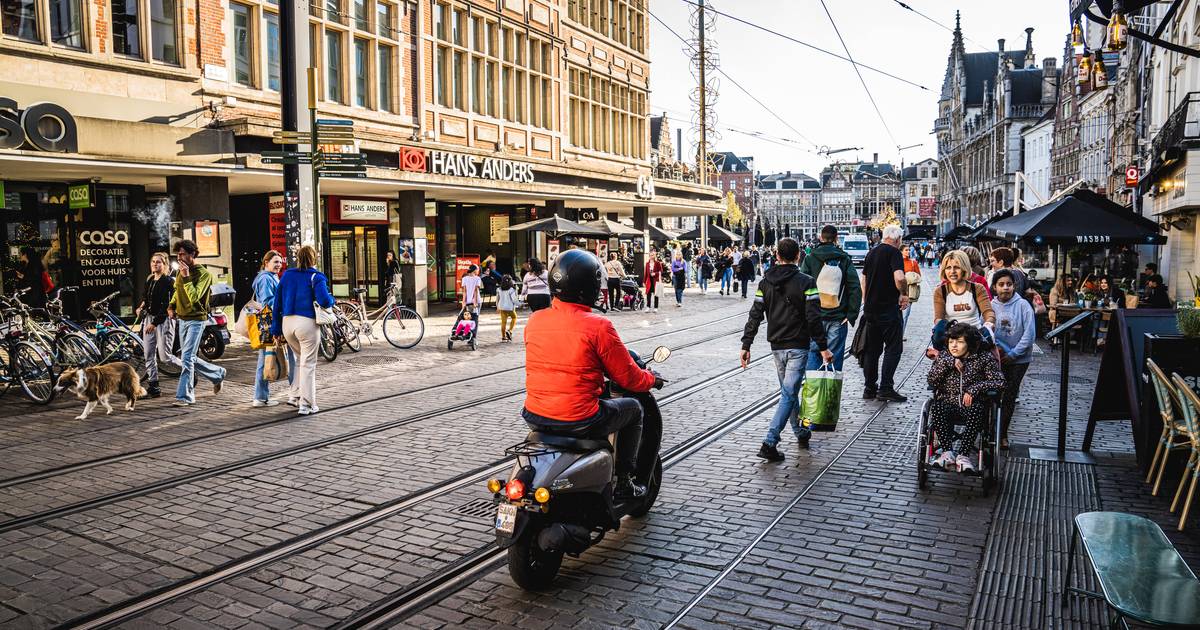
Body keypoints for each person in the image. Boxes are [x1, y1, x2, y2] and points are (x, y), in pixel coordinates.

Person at [522, 249, 663, 497]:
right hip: (578, 417)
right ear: (590, 286)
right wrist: (651, 378)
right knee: (634, 409)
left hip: (535, 414)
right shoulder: (598, 326)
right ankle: (623, 480)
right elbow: (628, 378)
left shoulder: (535, 321)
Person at [741, 238, 832, 462]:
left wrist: (746, 344)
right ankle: (769, 442)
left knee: (788, 393)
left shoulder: (765, 283)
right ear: (798, 256)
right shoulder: (807, 282)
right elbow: (813, 318)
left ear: (778, 256)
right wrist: (823, 347)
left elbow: (755, 315)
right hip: (798, 345)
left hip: (777, 346)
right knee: (789, 393)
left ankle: (800, 432)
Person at [925, 322, 1006, 473]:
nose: (954, 346)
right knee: (936, 406)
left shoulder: (983, 358)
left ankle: (963, 455)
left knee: (977, 409)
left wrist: (974, 389)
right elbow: (931, 380)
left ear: (969, 343)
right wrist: (948, 363)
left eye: (960, 342)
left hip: (972, 406)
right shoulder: (944, 357)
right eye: (951, 342)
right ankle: (947, 452)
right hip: (948, 403)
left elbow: (999, 381)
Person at [270, 245, 335, 415]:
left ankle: (294, 395)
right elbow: (324, 301)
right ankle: (307, 405)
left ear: (297, 258)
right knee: (308, 364)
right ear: (314, 259)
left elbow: (277, 303)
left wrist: (276, 328)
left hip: (287, 323)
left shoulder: (287, 275)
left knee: (300, 360)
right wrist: (332, 299)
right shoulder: (317, 276)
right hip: (306, 323)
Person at [170, 239, 226, 406]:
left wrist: (187, 277)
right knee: (188, 357)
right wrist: (171, 305)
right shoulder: (180, 272)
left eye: (182, 254)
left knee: (186, 358)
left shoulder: (203, 274)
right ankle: (217, 374)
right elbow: (177, 291)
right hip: (182, 318)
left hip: (196, 319)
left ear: (192, 254)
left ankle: (185, 396)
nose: (179, 257)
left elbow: (194, 297)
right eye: (177, 254)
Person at [798, 225, 862, 371]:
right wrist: (851, 314)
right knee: (835, 356)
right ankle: (831, 392)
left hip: (814, 317)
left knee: (813, 353)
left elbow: (801, 287)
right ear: (836, 238)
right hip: (838, 317)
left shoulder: (810, 258)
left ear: (821, 237)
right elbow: (855, 288)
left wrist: (803, 313)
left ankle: (814, 390)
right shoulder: (844, 259)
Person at [860, 225, 909, 402]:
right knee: (893, 348)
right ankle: (886, 387)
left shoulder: (871, 252)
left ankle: (869, 388)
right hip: (888, 309)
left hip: (871, 310)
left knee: (872, 350)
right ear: (897, 239)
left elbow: (863, 280)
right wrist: (903, 294)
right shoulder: (894, 253)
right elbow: (900, 277)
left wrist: (866, 301)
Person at [991, 270, 1035, 450]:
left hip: (1019, 360)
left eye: (1008, 284)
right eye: (1001, 284)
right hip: (997, 358)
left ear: (1014, 286)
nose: (1005, 288)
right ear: (995, 287)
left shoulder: (1023, 305)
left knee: (1009, 396)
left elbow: (1029, 334)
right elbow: (985, 329)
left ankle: (1002, 434)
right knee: (993, 395)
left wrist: (1014, 354)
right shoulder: (990, 305)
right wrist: (997, 352)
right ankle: (990, 431)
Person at [251, 250, 295, 407]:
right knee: (287, 357)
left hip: (269, 323)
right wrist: (286, 297)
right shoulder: (265, 278)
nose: (279, 265)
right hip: (271, 323)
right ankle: (295, 394)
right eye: (275, 262)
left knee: (266, 358)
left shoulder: (271, 277)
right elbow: (268, 302)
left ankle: (261, 397)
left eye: (280, 262)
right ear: (266, 263)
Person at [930, 250, 995, 353]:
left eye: (957, 267)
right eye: (948, 268)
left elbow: (988, 311)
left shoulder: (977, 288)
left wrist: (989, 323)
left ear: (964, 268)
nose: (952, 271)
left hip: (974, 339)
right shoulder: (940, 291)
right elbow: (939, 318)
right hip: (951, 341)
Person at [137, 252, 180, 398]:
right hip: (149, 320)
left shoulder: (169, 281)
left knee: (165, 357)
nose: (155, 264)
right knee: (148, 354)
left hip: (163, 321)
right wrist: (141, 307)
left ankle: (188, 369)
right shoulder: (150, 280)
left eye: (159, 262)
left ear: (165, 265)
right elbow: (145, 297)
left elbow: (167, 306)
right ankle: (154, 386)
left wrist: (154, 323)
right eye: (153, 261)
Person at [901, 244, 923, 336]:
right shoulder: (898, 262)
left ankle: (901, 334)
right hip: (899, 291)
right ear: (901, 251)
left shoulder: (913, 263)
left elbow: (919, 276)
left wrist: (910, 277)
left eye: (909, 250)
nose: (908, 252)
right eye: (906, 250)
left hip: (910, 291)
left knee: (906, 315)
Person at [497, 275, 518, 341]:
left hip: (502, 307)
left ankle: (503, 337)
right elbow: (514, 299)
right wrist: (520, 304)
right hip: (509, 307)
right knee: (514, 317)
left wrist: (497, 307)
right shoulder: (511, 289)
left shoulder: (499, 289)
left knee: (503, 322)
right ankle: (510, 330)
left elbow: (497, 299)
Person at [644, 247, 664, 312]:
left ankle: (656, 307)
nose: (651, 256)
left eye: (652, 255)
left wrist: (655, 273)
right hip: (649, 280)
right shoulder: (647, 264)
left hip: (656, 280)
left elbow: (661, 271)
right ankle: (648, 307)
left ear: (654, 255)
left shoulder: (658, 263)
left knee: (656, 294)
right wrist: (644, 281)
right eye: (650, 255)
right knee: (648, 294)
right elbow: (646, 273)